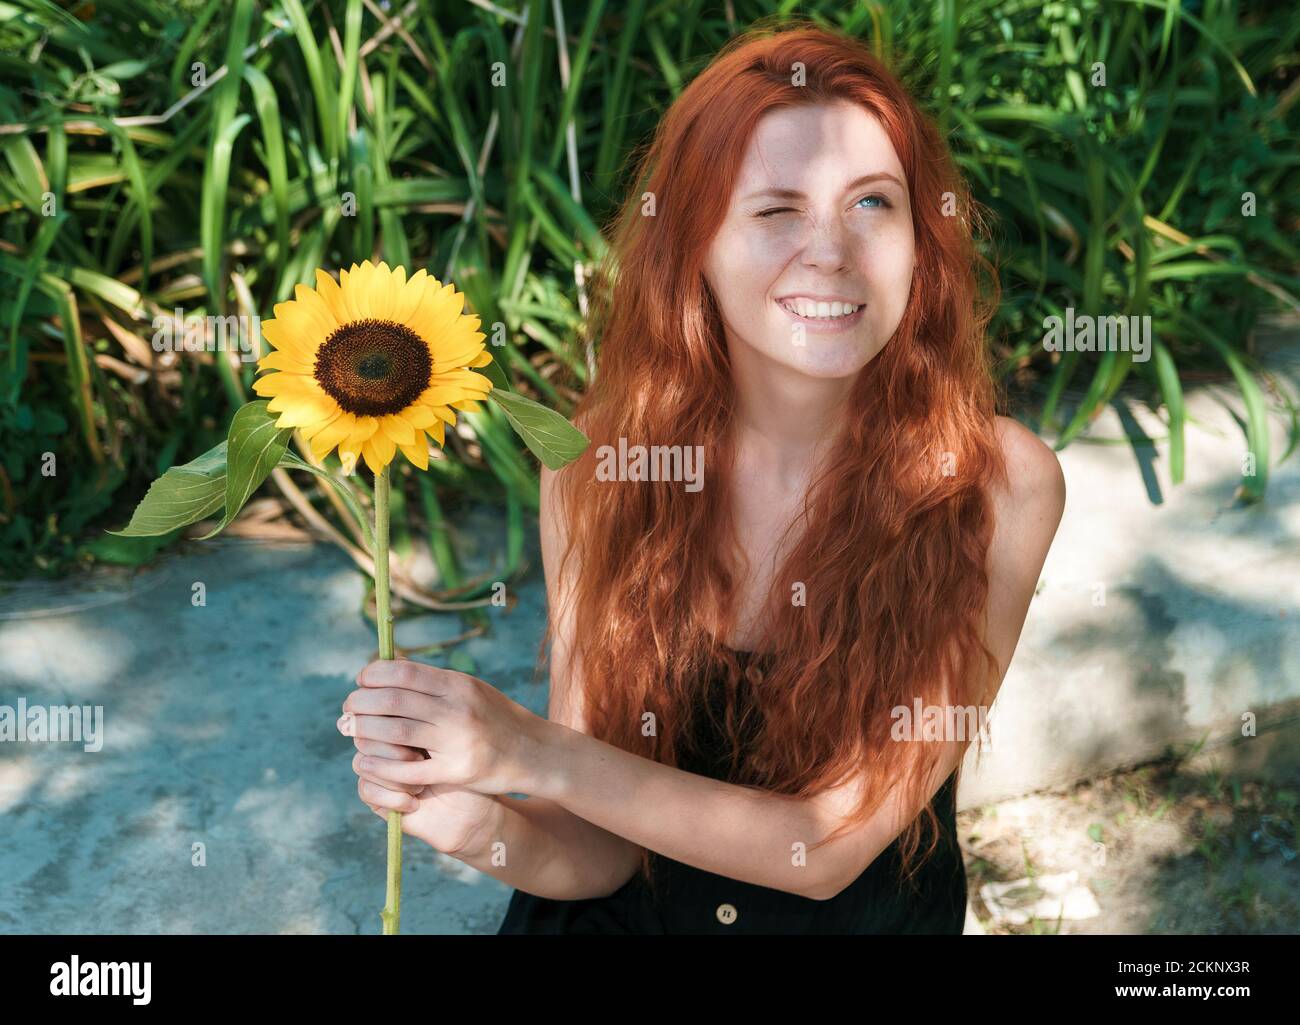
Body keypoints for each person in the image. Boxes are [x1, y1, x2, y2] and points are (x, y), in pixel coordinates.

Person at [335, 22, 1066, 934]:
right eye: (776, 210)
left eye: (873, 204)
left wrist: (529, 748)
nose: (832, 251)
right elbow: (594, 850)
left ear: (923, 242)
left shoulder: (994, 486)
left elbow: (828, 845)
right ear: (695, 249)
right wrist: (473, 816)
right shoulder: (600, 463)